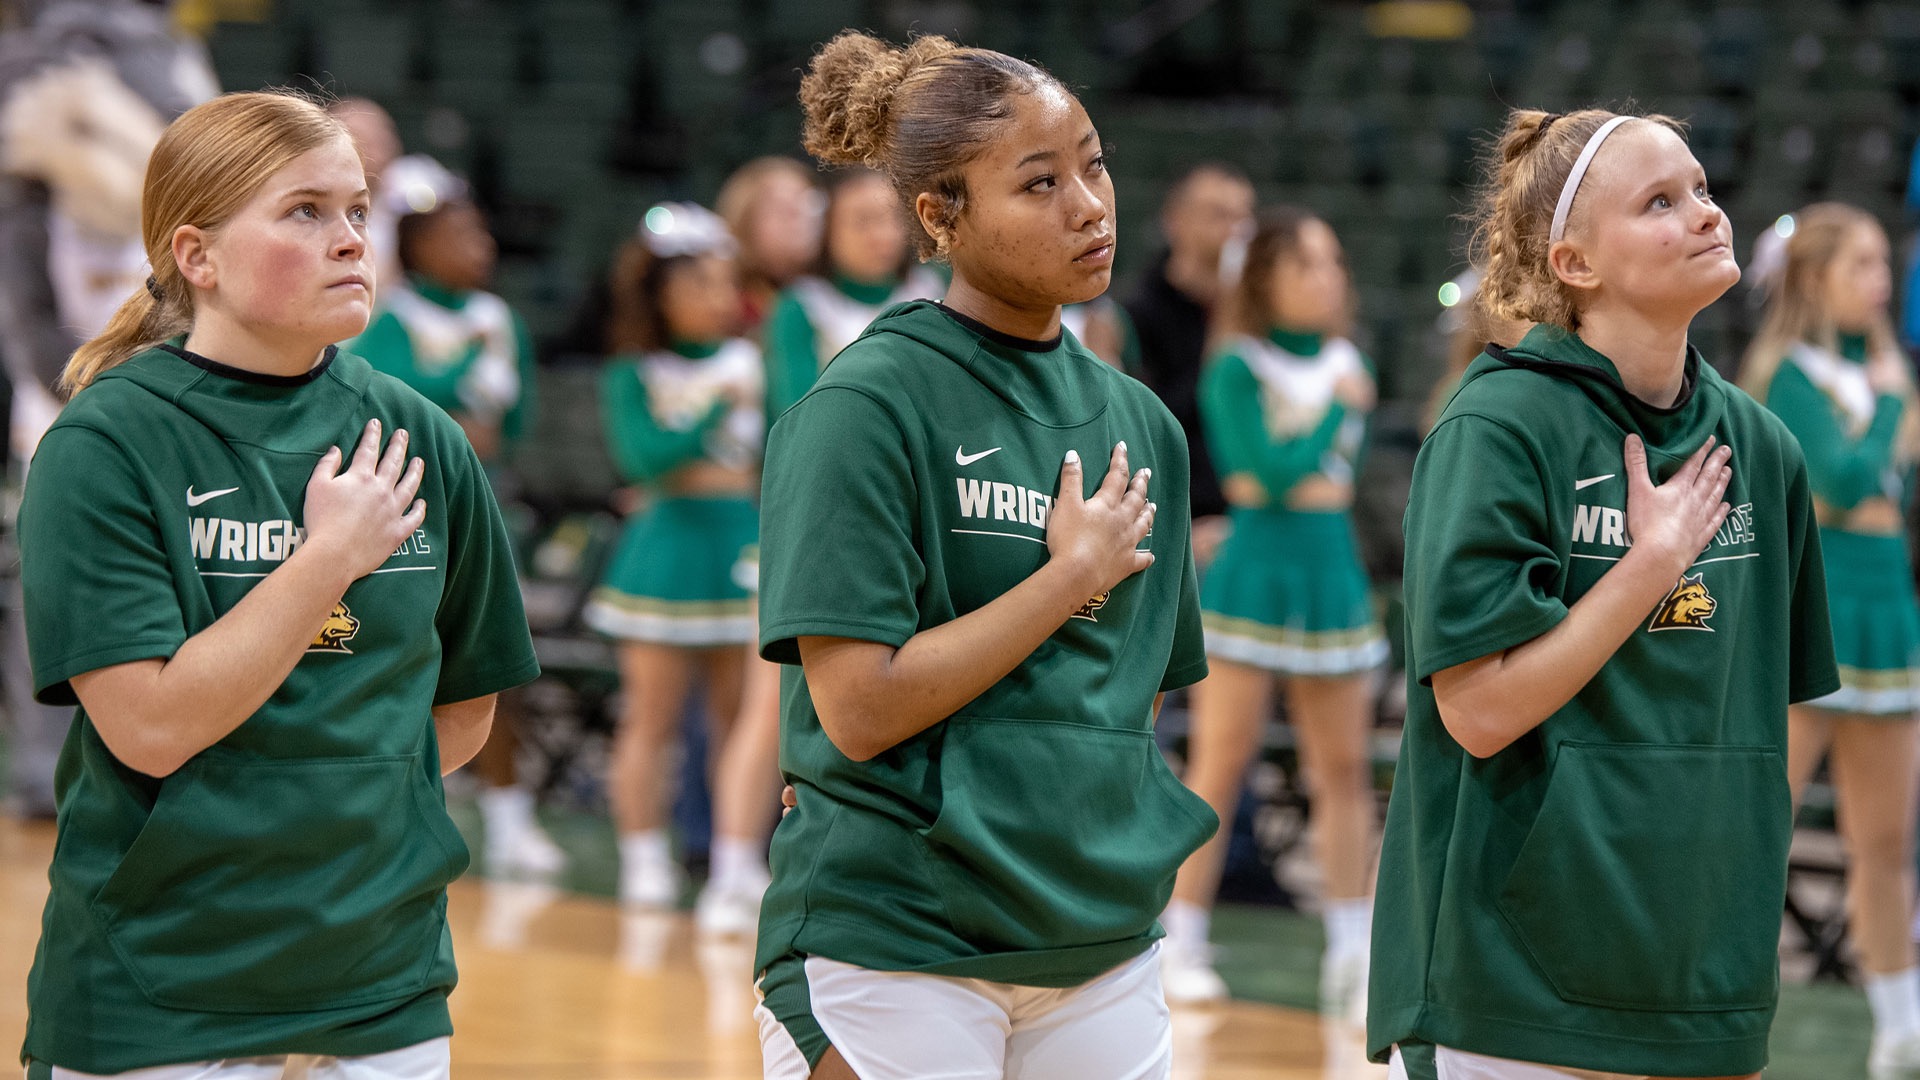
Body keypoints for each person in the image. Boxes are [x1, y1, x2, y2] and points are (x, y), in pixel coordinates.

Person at [16, 90, 538, 1079]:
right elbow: (150, 728)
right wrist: (328, 557)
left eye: (356, 209)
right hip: (157, 991)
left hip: (383, 986)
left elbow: (466, 707)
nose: (351, 239)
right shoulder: (104, 445)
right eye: (304, 211)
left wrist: (334, 812)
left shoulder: (421, 438)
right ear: (197, 256)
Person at [753, 31, 1215, 1080]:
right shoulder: (866, 405)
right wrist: (1068, 578)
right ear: (939, 216)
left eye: (1094, 165)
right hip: (899, 934)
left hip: (1100, 938)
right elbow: (859, 708)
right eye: (1040, 183)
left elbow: (1131, 691)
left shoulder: (1146, 424)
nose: (1090, 206)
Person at [1370, 108, 1837, 1080]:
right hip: (1515, 981)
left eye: (1701, 188)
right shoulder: (1498, 427)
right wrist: (1647, 568)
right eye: (1659, 201)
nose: (1706, 213)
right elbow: (1480, 713)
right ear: (1574, 262)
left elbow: (1760, 730)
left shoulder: (1765, 449)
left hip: (1707, 976)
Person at [1160, 206, 1387, 1018]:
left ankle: (1352, 957)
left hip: (1330, 575)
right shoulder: (1235, 367)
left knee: (1345, 772)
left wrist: (1324, 436)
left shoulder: (1351, 361)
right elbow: (1265, 474)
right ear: (1264, 279)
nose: (1328, 279)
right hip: (1253, 577)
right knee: (1221, 763)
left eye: (1333, 262)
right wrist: (1332, 414)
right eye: (1307, 264)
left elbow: (1335, 484)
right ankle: (1181, 938)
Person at [346, 153, 565, 880]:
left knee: (496, 665)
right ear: (416, 245)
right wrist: (458, 380)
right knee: (402, 654)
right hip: (405, 509)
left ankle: (508, 819)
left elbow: (518, 419)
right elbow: (386, 396)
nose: (481, 246)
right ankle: (388, 802)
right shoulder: (390, 316)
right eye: (460, 234)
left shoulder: (500, 319)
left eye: (482, 232)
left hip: (484, 502)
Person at [1739, 202, 1920, 1076]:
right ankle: (1716, 997)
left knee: (1883, 843)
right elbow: (1847, 482)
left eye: (1885, 264)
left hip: (1887, 609)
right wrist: (1888, 407)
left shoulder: (1880, 370)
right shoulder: (1789, 374)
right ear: (1814, 278)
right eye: (1863, 266)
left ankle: (1898, 1025)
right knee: (1757, 828)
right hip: (1813, 605)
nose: (1883, 283)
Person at [583, 201, 763, 908]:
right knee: (649, 718)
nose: (719, 298)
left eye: (725, 283)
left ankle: (734, 857)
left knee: (736, 720)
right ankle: (640, 856)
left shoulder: (752, 360)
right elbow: (644, 458)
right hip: (663, 553)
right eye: (699, 285)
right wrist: (715, 411)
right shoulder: (632, 371)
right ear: (659, 295)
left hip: (739, 546)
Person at [1122, 163, 1254, 547]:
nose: (1236, 230)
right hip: (1176, 522)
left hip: (1249, 518)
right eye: (1219, 215)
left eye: (1244, 216)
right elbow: (1153, 424)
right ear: (1174, 221)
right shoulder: (1134, 315)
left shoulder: (1261, 316)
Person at [716, 156, 825, 335]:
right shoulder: (726, 304)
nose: (799, 217)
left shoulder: (830, 295)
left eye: (808, 203)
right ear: (744, 221)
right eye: (780, 208)